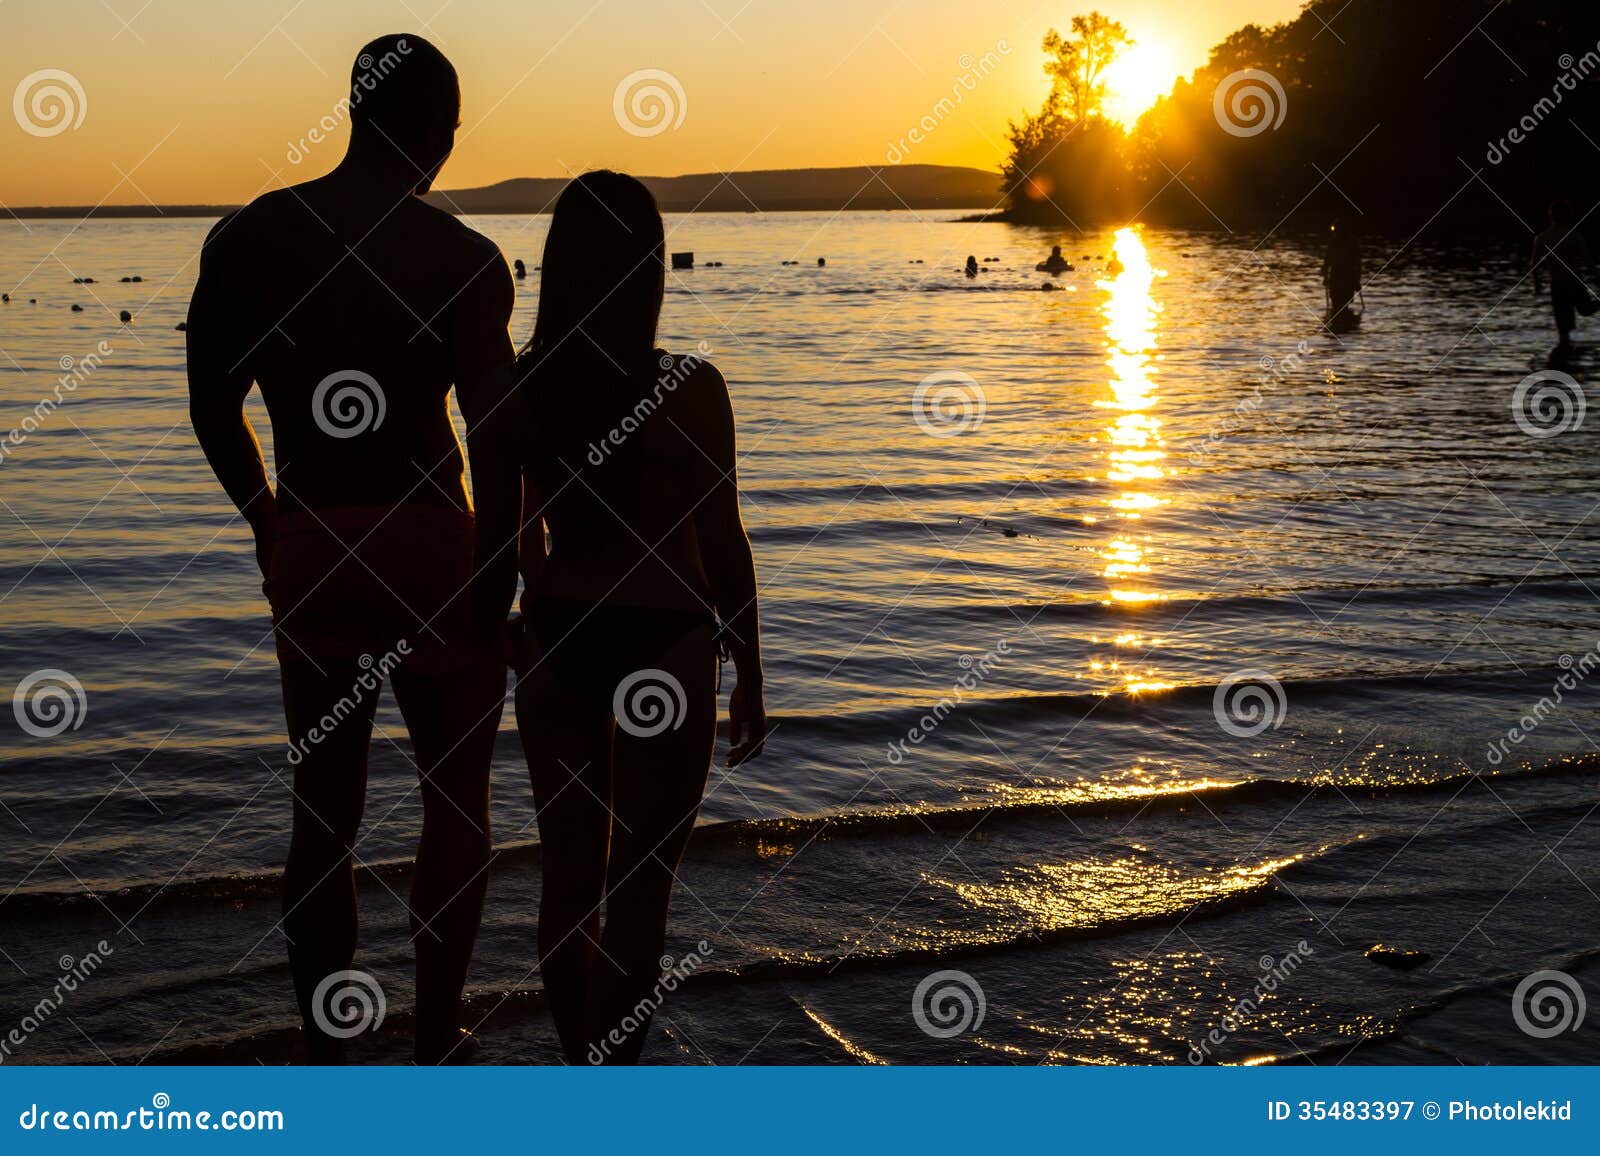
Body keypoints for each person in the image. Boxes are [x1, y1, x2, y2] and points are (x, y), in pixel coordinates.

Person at [186, 34, 521, 1064]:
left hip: (317, 537)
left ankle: (326, 1052)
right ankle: (435, 1036)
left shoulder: (248, 239)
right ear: (434, 128)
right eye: (451, 131)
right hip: (430, 539)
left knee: (322, 817)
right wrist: (498, 570)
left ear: (351, 111)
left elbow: (212, 402)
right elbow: (497, 435)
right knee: (454, 805)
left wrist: (264, 517)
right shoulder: (462, 260)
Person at [509, 170, 767, 1065]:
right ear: (649, 270)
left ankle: (579, 1073)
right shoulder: (693, 388)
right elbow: (724, 541)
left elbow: (508, 537)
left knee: (570, 880)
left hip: (559, 638)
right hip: (667, 642)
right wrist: (752, 673)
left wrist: (520, 618)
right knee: (643, 890)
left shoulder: (524, 386)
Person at [1532, 198, 1596, 361]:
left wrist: (1537, 286)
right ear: (1569, 216)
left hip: (1558, 286)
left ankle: (1566, 359)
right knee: (1586, 310)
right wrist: (1596, 277)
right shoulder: (1574, 236)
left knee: (1564, 330)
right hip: (1574, 282)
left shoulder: (1542, 238)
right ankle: (1571, 359)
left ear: (1550, 216)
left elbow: (1534, 266)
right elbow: (1589, 262)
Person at [1322, 216, 1362, 330]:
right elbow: (1327, 262)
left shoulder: (1352, 243)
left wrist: (1357, 281)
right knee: (1337, 304)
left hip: (1348, 279)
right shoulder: (1333, 243)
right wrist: (1325, 276)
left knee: (1343, 303)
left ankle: (1343, 322)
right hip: (1336, 278)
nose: (1335, 232)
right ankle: (1341, 322)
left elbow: (1357, 263)